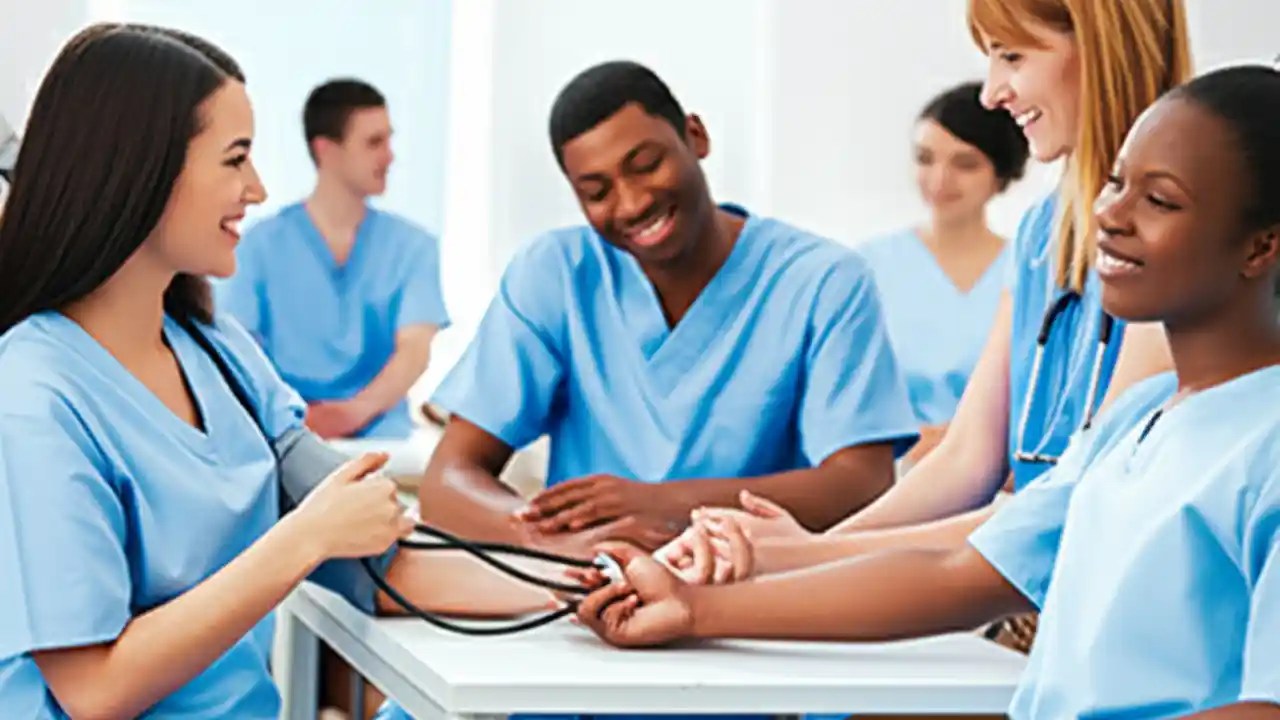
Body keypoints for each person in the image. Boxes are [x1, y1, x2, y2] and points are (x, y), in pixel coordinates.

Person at [577, 63, 1280, 720]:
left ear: (1261, 246)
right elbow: (956, 573)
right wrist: (695, 609)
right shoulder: (1132, 424)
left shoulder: (1265, 445)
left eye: (1158, 200)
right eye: (1116, 183)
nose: (1110, 215)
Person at [0, 24, 570, 719]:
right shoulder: (34, 395)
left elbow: (383, 565)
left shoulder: (218, 351)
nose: (259, 187)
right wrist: (307, 537)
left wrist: (583, 581)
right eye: (235, 159)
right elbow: (94, 691)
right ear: (141, 168)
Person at [660, 0, 1194, 605]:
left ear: (1099, 48)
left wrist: (801, 556)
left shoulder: (1180, 241)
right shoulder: (1045, 233)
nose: (992, 94)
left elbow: (1069, 504)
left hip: (1102, 600)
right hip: (1025, 591)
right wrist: (799, 549)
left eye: (1012, 57)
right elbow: (969, 460)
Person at [415, 59, 919, 563]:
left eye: (646, 165)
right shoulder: (556, 273)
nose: (631, 203)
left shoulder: (823, 280)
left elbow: (862, 483)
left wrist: (666, 505)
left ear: (695, 137)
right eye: (597, 192)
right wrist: (553, 542)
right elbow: (449, 479)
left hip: (758, 598)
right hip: (585, 599)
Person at [217, 78, 450, 440]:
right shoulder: (259, 247)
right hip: (284, 428)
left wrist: (352, 414)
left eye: (389, 140)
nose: (389, 156)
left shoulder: (412, 247)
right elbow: (238, 350)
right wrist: (292, 419)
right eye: (374, 143)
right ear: (326, 150)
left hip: (381, 435)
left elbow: (414, 351)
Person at [858, 80, 1029, 464]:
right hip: (893, 473)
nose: (939, 180)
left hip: (1000, 475)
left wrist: (963, 445)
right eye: (924, 158)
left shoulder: (1031, 271)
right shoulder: (868, 268)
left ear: (1001, 173)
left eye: (965, 164)